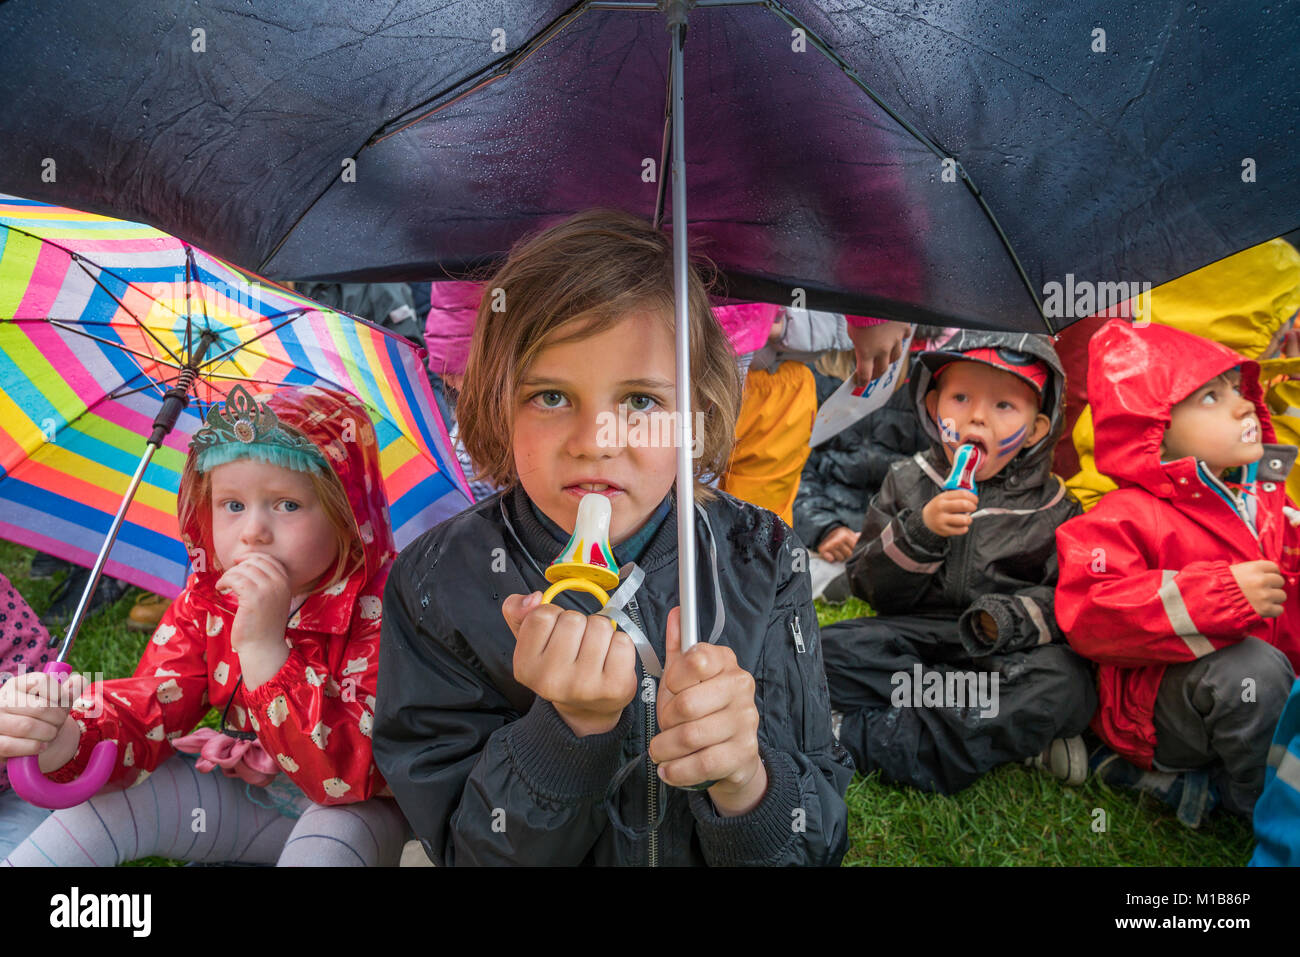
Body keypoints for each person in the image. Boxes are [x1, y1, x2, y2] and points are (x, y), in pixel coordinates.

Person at [374, 208, 854, 866]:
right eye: (549, 396)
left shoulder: (762, 557)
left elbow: (818, 836)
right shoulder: (436, 584)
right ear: (494, 403)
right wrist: (566, 735)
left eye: (640, 400)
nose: (597, 441)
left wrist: (748, 781)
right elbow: (466, 847)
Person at [0, 384, 408, 865]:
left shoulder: (389, 608)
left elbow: (346, 775)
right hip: (246, 798)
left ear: (346, 515)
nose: (253, 530)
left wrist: (263, 648)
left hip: (353, 812)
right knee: (110, 807)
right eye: (232, 505)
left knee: (332, 838)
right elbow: (154, 697)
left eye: (287, 504)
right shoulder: (210, 600)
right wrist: (66, 736)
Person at [820, 330, 1097, 794]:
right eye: (961, 397)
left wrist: (1004, 619)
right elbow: (868, 584)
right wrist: (921, 531)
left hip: (1001, 655)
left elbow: (1069, 603)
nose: (977, 418)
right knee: (821, 653)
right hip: (915, 640)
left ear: (1037, 428)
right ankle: (1003, 734)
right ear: (932, 407)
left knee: (1067, 686)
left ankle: (857, 735)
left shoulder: (1058, 508)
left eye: (1004, 406)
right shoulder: (908, 480)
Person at [1055, 320, 1297, 828]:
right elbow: (1090, 617)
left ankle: (1227, 785)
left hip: (1253, 703)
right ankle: (1254, 806)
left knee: (1263, 674)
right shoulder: (1124, 515)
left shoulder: (1268, 502)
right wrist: (1223, 596)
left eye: (1237, 388)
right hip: (1157, 714)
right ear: (1156, 434)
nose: (1243, 405)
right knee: (1252, 670)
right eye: (1210, 397)